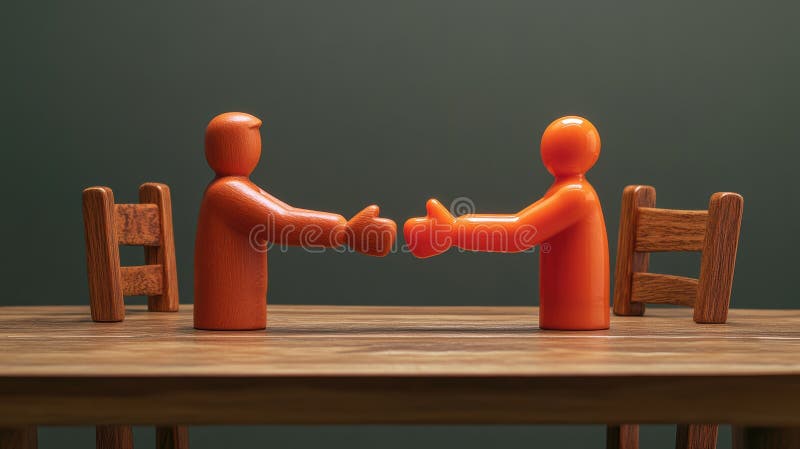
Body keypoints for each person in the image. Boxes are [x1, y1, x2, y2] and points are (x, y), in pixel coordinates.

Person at [195, 112, 396, 330]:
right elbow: (281, 223)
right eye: (253, 139)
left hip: (241, 313)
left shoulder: (237, 187)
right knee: (236, 322)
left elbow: (285, 212)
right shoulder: (227, 191)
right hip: (227, 318)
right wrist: (344, 232)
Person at [404, 116, 609, 330]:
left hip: (579, 322)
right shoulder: (567, 192)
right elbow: (520, 227)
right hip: (568, 319)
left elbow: (518, 234)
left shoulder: (575, 196)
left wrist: (452, 231)